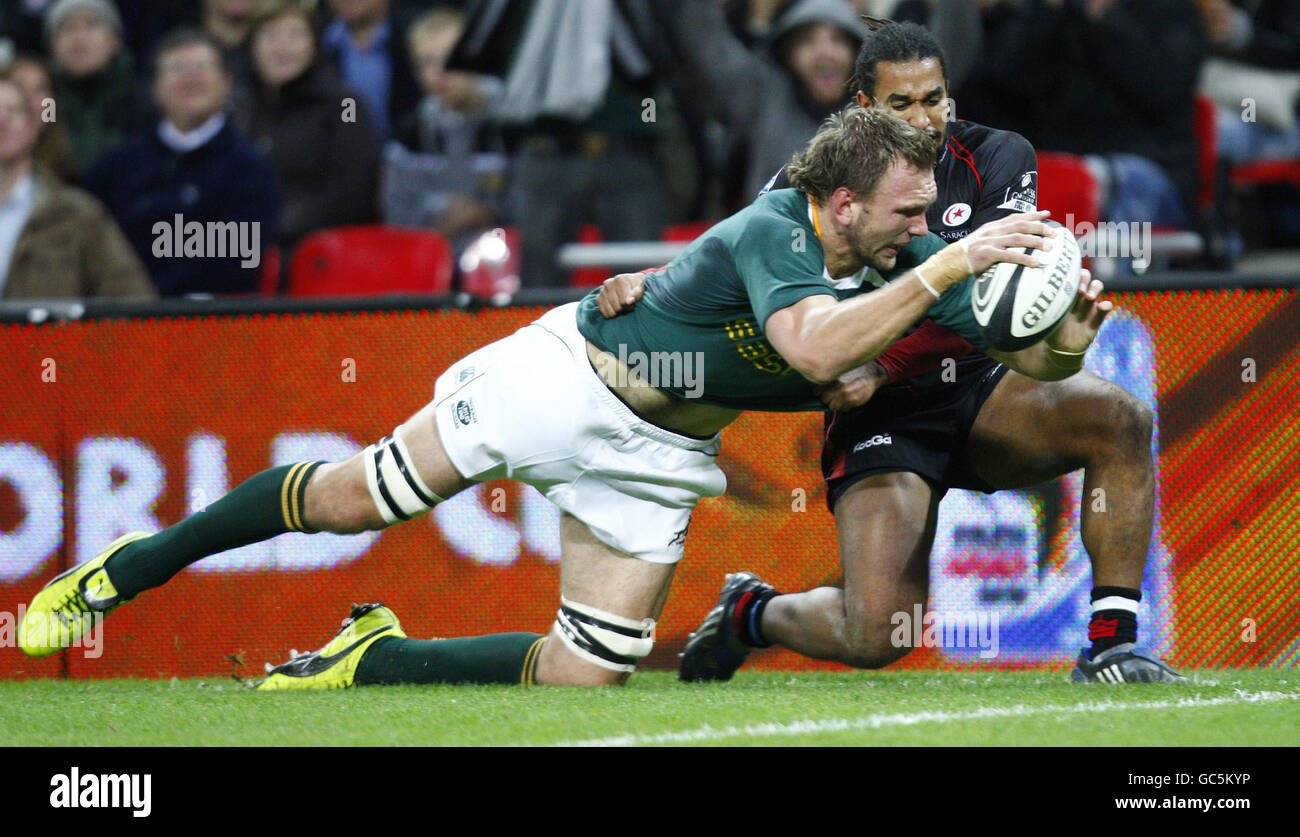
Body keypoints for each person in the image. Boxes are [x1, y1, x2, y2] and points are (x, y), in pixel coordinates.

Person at [18, 108, 1075, 690]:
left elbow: (1031, 357)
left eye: (927, 216)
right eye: (904, 210)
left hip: (656, 455)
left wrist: (1069, 316)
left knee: (582, 677)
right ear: (842, 200)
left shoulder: (907, 248)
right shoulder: (776, 229)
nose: (923, 224)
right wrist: (941, 273)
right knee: (354, 499)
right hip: (564, 384)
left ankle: (369, 657)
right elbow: (807, 350)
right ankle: (129, 567)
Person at [598, 22, 1183, 683]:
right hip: (880, 418)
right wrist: (652, 282)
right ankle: (751, 612)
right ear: (864, 108)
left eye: (933, 99)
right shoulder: (820, 173)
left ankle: (1111, 646)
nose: (924, 118)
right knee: (877, 632)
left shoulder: (998, 157)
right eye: (900, 104)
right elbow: (740, 253)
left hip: (979, 388)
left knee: (1121, 418)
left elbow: (982, 305)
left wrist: (882, 365)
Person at [82, 28, 279, 296]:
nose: (190, 78)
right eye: (176, 68)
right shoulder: (116, 166)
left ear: (226, 82)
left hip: (216, 320)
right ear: (155, 89)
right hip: (121, 314)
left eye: (201, 67)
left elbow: (239, 257)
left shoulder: (251, 168)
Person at [239, 0, 380, 261]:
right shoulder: (239, 106)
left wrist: (280, 225)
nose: (282, 48)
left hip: (325, 254)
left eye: (295, 35)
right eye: (270, 35)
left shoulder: (345, 103)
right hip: (249, 252)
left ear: (314, 45)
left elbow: (355, 188)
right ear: (252, 46)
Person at [0, 74, 153, 299]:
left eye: (13, 111)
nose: (2, 119)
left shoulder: (77, 215)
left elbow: (131, 299)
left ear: (34, 125)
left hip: (49, 335)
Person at [45, 0, 148, 174]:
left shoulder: (143, 97)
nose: (79, 38)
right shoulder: (47, 101)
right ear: (52, 46)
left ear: (115, 40)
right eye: (67, 28)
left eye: (91, 25)